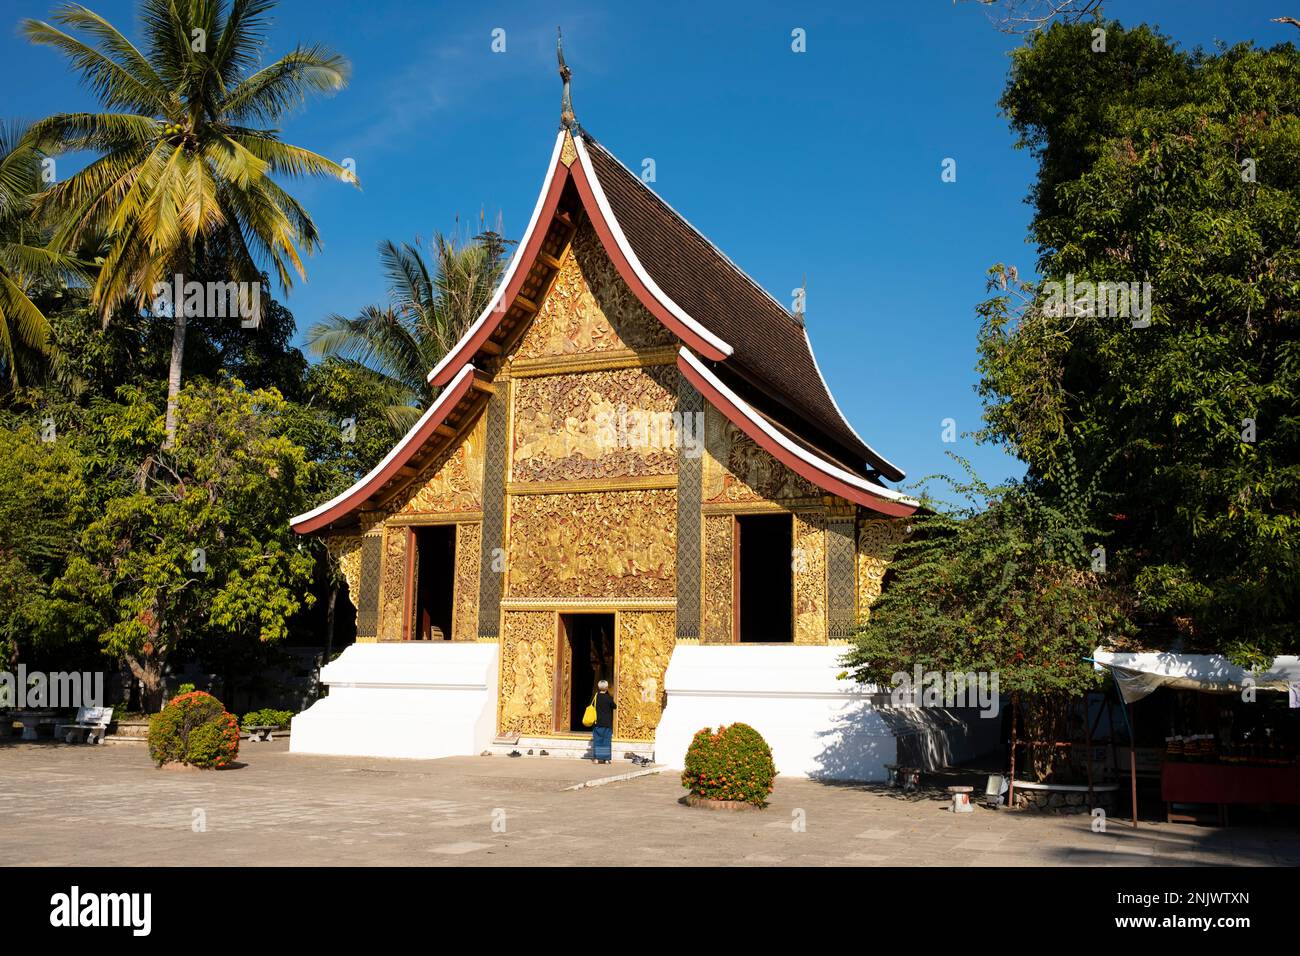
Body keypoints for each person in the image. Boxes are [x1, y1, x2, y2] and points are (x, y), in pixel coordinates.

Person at [592, 679, 615, 764]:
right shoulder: (609, 698)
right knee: (606, 740)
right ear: (606, 688)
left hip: (597, 722)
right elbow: (614, 706)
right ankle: (606, 759)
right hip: (607, 723)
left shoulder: (595, 697)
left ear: (598, 687)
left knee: (597, 740)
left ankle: (597, 758)